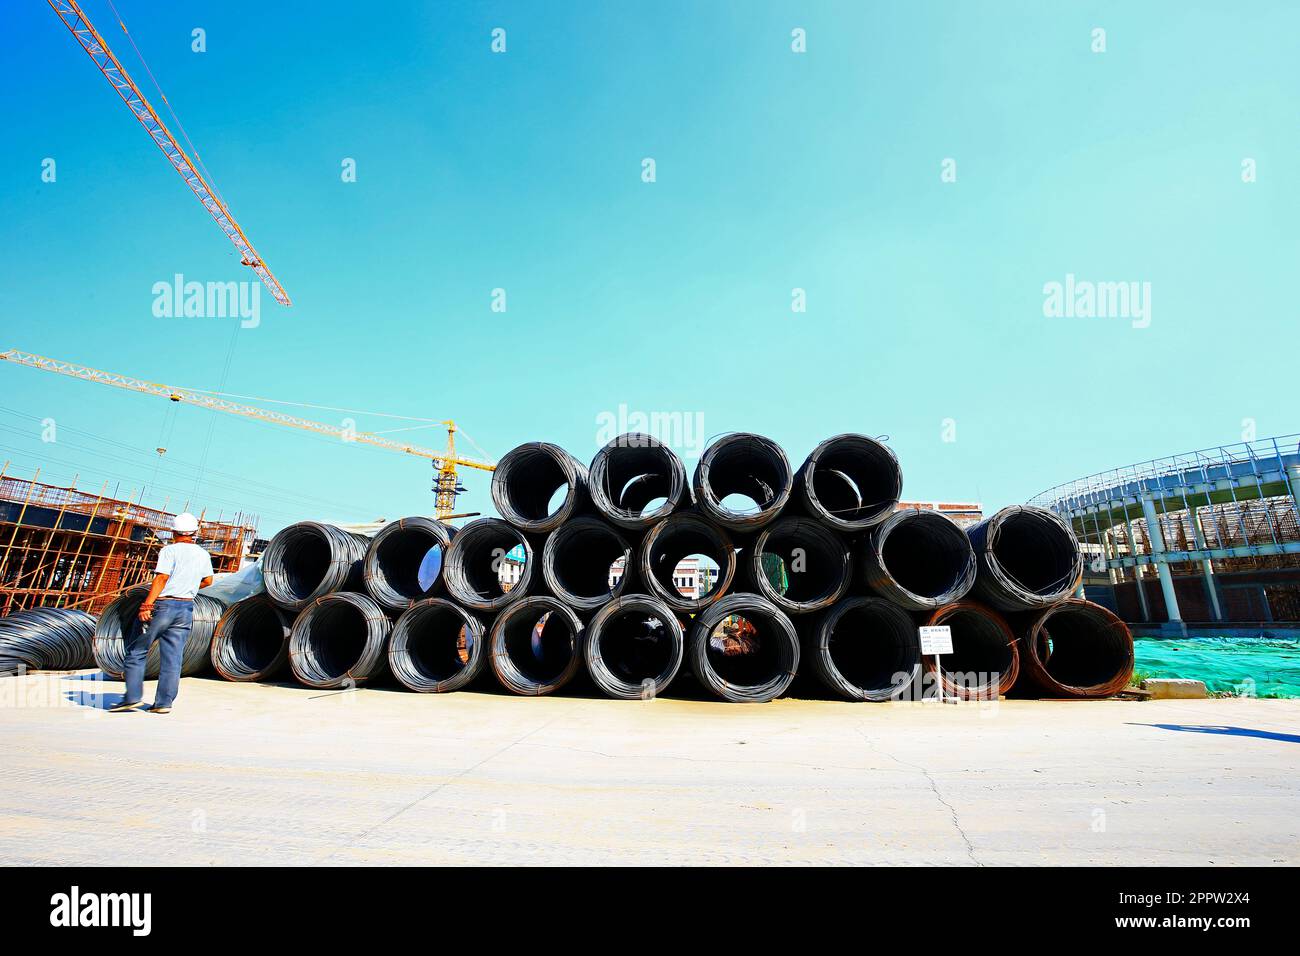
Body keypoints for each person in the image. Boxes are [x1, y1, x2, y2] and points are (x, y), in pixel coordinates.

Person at [110, 513, 214, 714]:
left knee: (136, 650)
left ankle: (132, 697)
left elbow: (161, 579)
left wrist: (146, 605)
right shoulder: (203, 554)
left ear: (173, 532)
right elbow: (208, 581)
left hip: (164, 606)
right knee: (173, 657)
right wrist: (189, 586)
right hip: (185, 608)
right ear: (194, 533)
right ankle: (163, 703)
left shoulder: (169, 551)